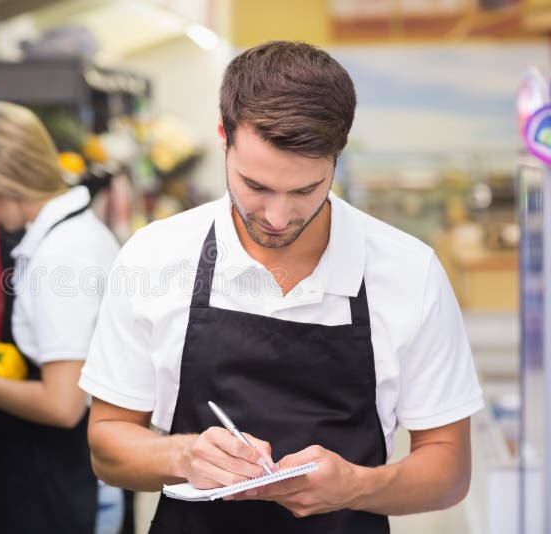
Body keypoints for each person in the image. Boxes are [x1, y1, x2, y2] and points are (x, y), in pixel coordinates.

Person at [79, 41, 483, 533]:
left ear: (337, 157)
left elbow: (448, 470)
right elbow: (107, 447)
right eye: (256, 186)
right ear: (223, 138)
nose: (276, 217)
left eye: (304, 191)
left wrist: (356, 486)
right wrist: (185, 454)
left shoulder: (409, 272)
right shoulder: (154, 256)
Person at [0, 101, 119, 533]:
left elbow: (62, 405)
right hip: (65, 475)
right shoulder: (78, 231)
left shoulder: (60, 257)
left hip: (54, 484)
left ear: (1, 180)